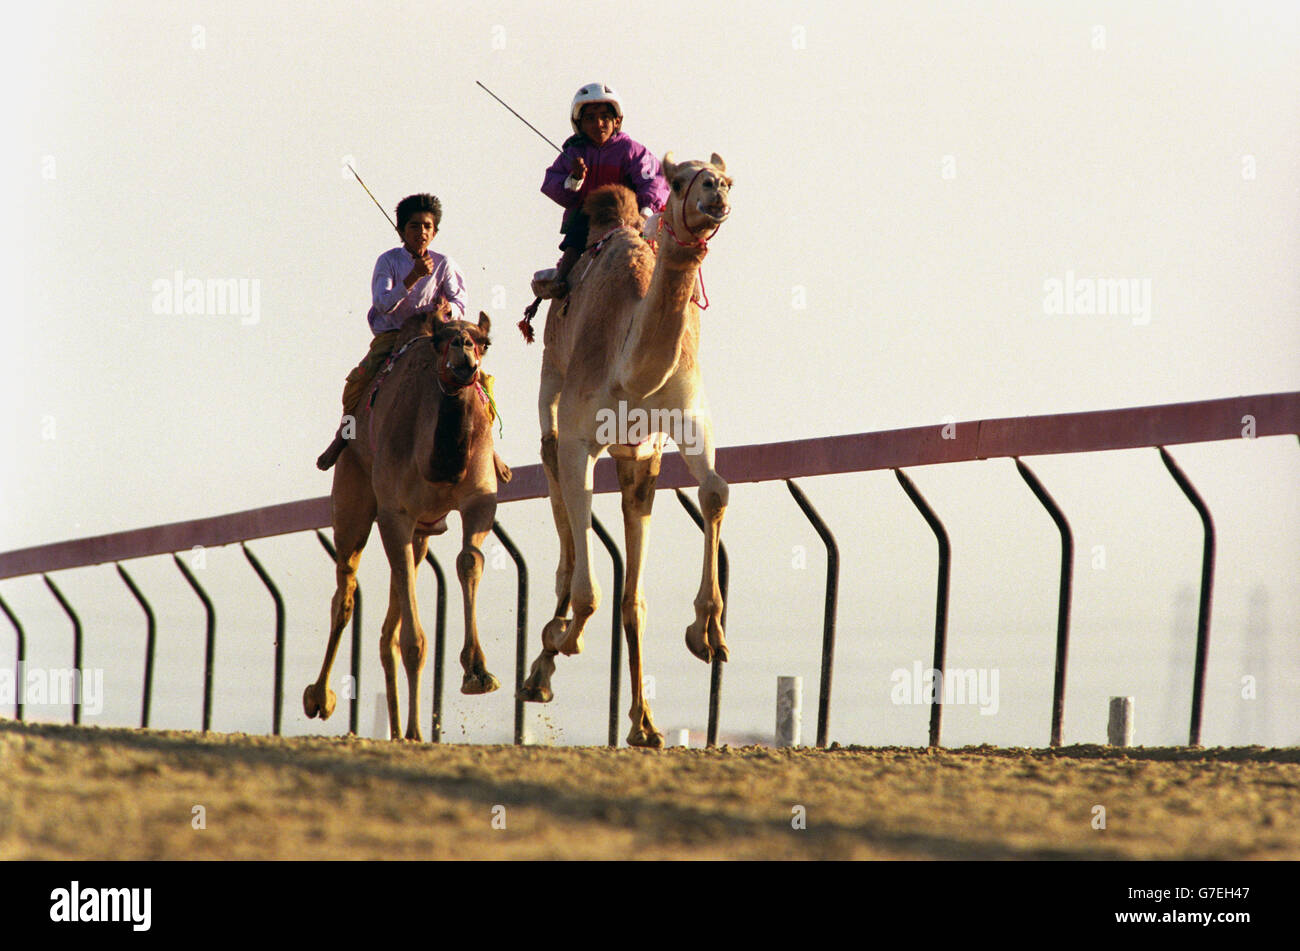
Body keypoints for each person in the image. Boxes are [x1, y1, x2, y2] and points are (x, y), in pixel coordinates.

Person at [316, 193, 467, 474]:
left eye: (426, 226)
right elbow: (383, 303)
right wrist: (413, 278)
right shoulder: (388, 262)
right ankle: (344, 435)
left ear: (435, 231)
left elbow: (460, 302)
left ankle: (489, 451)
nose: (420, 232)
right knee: (356, 383)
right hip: (395, 336)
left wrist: (448, 311)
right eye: (413, 226)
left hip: (432, 335)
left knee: (474, 375)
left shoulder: (445, 264)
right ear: (401, 230)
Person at [538, 82, 669, 293]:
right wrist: (575, 178)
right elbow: (552, 184)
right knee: (576, 237)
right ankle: (560, 282)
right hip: (588, 220)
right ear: (579, 123)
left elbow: (654, 181)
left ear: (616, 121)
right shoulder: (573, 154)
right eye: (590, 118)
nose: (598, 123)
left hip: (629, 219)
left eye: (604, 117)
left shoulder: (631, 151)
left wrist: (645, 214)